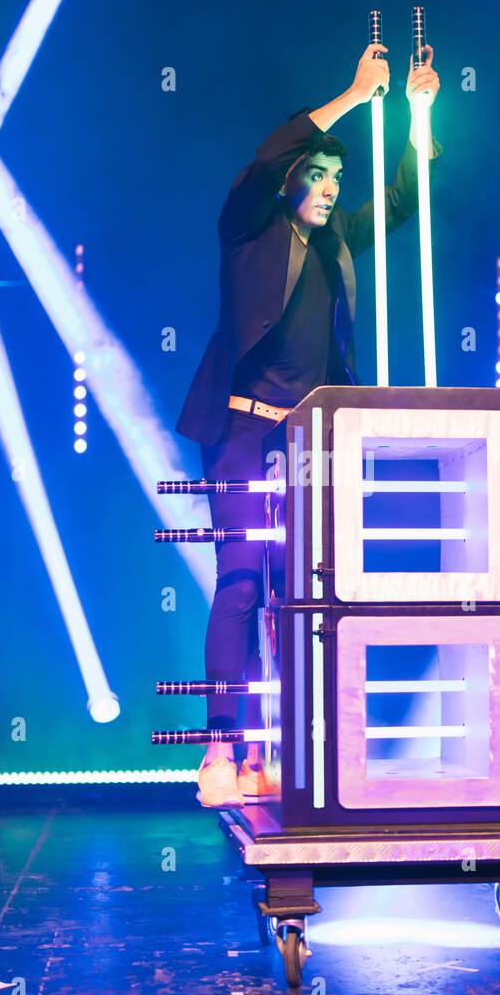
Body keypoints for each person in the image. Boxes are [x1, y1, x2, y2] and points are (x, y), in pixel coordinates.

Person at [177, 41, 442, 807]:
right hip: (242, 430)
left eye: (336, 178)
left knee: (301, 591)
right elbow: (267, 154)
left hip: (306, 443)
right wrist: (356, 95)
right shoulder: (246, 231)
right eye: (318, 176)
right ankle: (221, 751)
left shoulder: (333, 245)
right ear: (292, 181)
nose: (330, 189)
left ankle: (299, 748)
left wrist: (419, 119)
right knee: (238, 585)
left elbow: (403, 199)